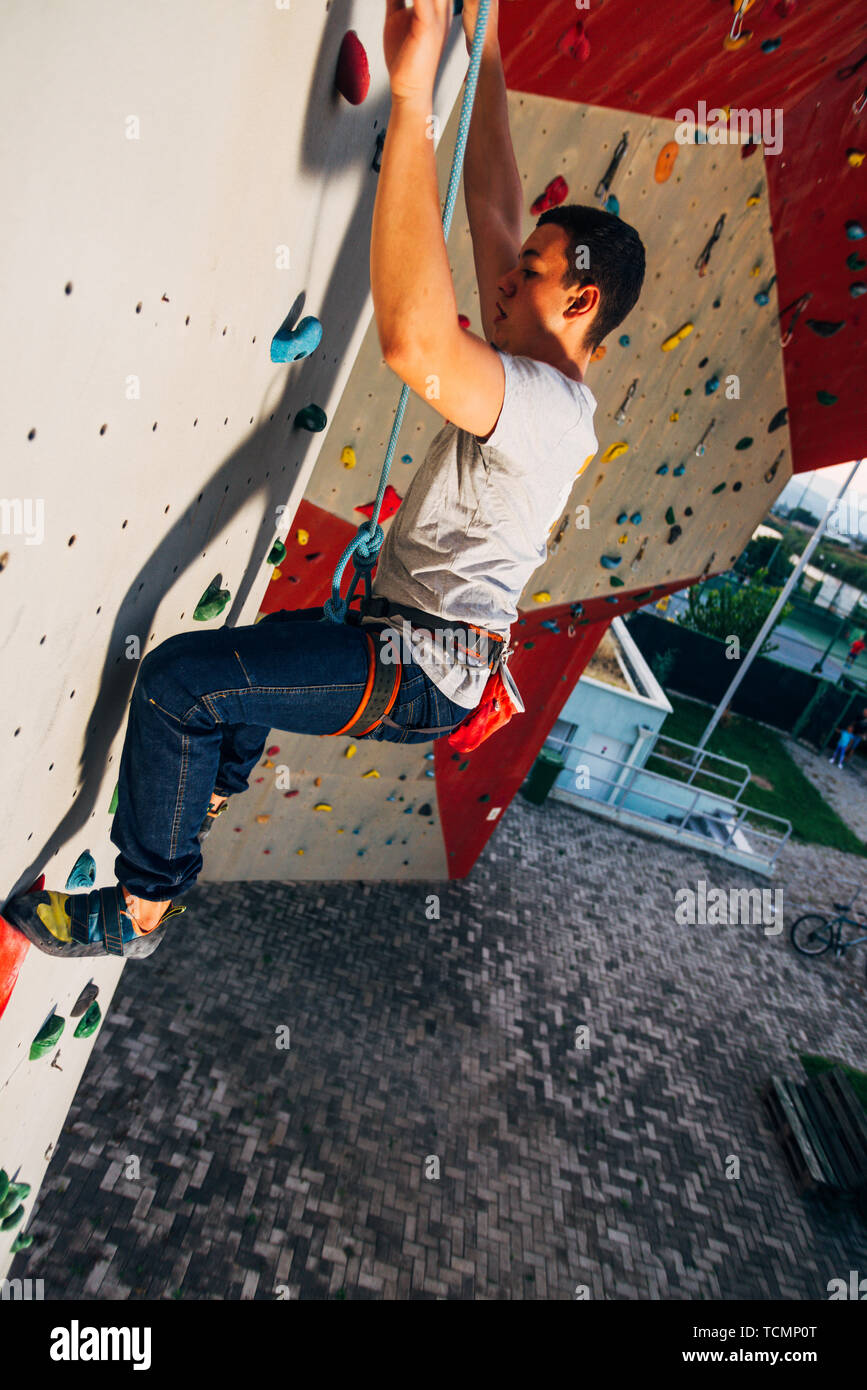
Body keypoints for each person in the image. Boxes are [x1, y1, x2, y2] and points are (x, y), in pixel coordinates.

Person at [4, 0, 645, 959]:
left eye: (531, 272)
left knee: (182, 685)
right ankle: (210, 782)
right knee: (253, 668)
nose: (504, 276)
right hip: (402, 641)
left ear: (583, 299)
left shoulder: (550, 408)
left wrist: (416, 86)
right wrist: (492, 35)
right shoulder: (540, 361)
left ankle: (137, 912)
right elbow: (493, 204)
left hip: (422, 670)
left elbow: (413, 343)